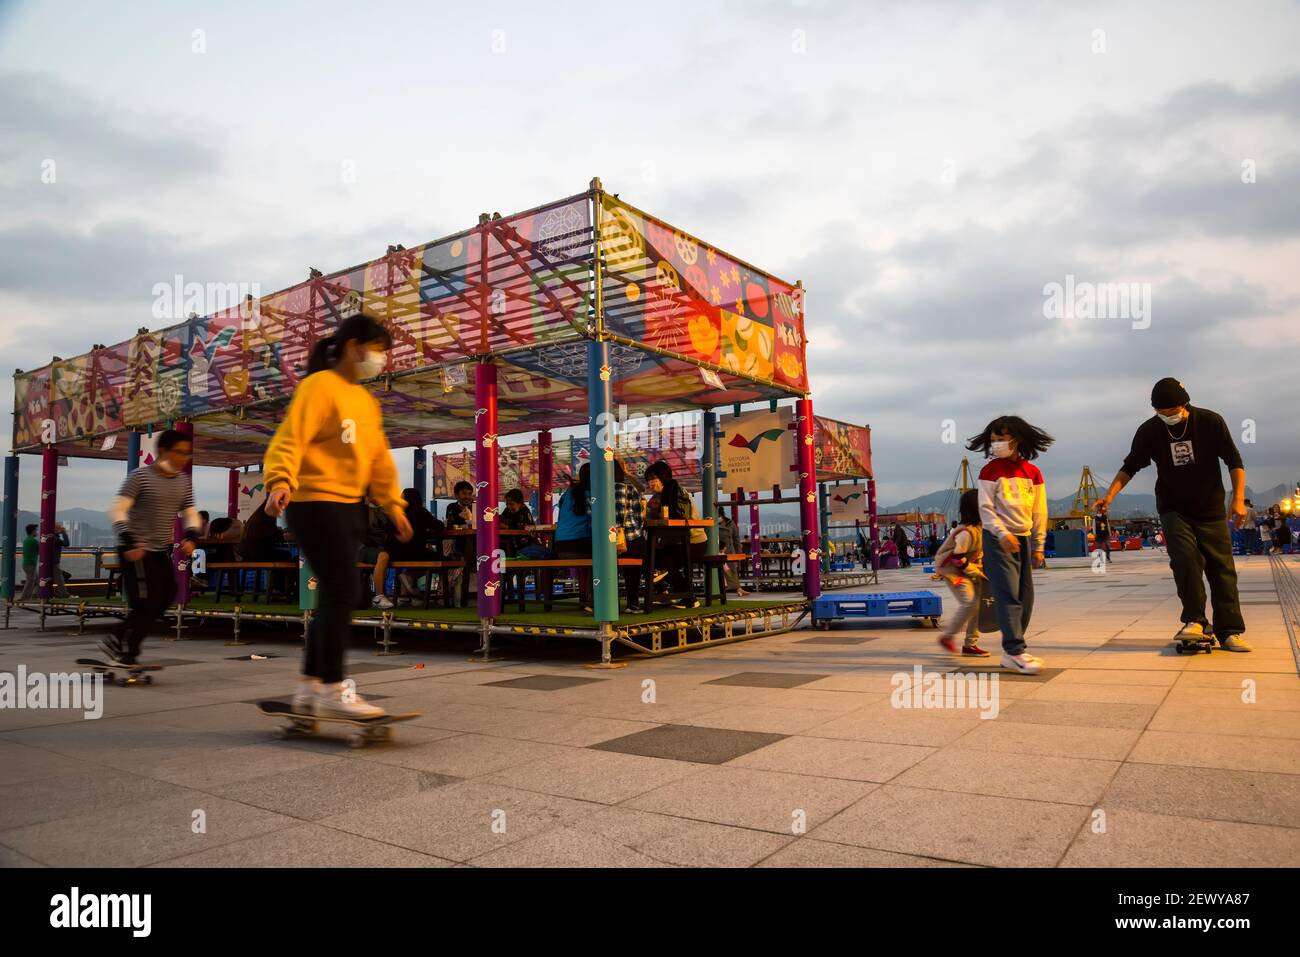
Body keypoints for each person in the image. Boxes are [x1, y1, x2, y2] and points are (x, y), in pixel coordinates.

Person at [263, 313, 413, 718]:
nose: (382, 359)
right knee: (344, 589)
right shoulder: (318, 388)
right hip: (313, 504)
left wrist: (393, 505)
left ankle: (311, 687)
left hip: (350, 508)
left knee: (337, 592)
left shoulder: (364, 401)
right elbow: (290, 438)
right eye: (379, 349)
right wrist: (280, 481)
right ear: (353, 347)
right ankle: (331, 685)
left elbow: (379, 459)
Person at [1095, 378, 1250, 652]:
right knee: (1184, 560)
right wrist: (1109, 495)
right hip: (1173, 507)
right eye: (1161, 412)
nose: (1167, 416)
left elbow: (1234, 461)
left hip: (1211, 507)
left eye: (1171, 410)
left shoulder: (1210, 422)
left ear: (1184, 404)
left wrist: (1237, 499)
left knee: (1221, 569)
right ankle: (1195, 620)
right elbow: (1130, 466)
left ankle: (1229, 631)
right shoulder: (1149, 431)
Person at [101, 428, 202, 666]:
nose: (182, 458)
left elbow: (190, 513)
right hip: (134, 550)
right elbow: (118, 510)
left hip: (157, 551)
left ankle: (120, 637)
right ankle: (128, 651)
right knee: (145, 603)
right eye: (178, 453)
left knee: (166, 597)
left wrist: (191, 536)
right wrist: (129, 541)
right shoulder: (140, 477)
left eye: (187, 454)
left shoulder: (183, 482)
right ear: (162, 451)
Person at [968, 414, 1052, 675]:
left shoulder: (1032, 473)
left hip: (1024, 539)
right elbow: (986, 508)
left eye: (1001, 439)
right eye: (992, 441)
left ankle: (1010, 652)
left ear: (1016, 440)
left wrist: (1038, 545)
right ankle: (1016, 650)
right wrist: (1001, 533)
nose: (996, 445)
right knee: (1008, 595)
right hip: (998, 540)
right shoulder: (989, 471)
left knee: (1026, 597)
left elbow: (1040, 511)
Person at [934, 489, 989, 657]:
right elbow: (958, 558)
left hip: (968, 567)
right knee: (969, 603)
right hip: (953, 570)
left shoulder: (980, 528)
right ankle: (948, 637)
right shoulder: (966, 532)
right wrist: (975, 572)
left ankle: (970, 645)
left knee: (977, 605)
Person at [644, 459, 706, 606]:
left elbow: (679, 519)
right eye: (648, 480)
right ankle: (666, 592)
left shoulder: (677, 492)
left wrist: (657, 515)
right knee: (647, 557)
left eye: (653, 479)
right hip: (675, 542)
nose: (650, 483)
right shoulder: (656, 498)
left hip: (693, 541)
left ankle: (689, 597)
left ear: (663, 478)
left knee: (661, 561)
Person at [373, 488, 442, 608]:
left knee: (428, 557)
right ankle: (411, 581)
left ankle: (406, 590)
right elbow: (439, 526)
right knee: (442, 558)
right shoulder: (422, 512)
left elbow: (388, 530)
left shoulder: (397, 514)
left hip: (395, 553)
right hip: (415, 552)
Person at [554, 462, 594, 607]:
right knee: (604, 556)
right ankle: (592, 599)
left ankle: (586, 597)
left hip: (560, 547)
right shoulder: (592, 493)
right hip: (580, 546)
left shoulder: (568, 494)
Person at [612, 460, 648, 611]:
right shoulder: (629, 489)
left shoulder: (597, 491)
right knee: (634, 569)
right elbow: (639, 518)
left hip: (607, 541)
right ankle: (633, 602)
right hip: (631, 538)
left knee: (611, 568)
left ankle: (608, 603)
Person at [716, 512, 750, 598]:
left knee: (732, 571)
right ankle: (737, 589)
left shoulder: (731, 523)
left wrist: (739, 553)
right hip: (719, 551)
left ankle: (739, 589)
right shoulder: (713, 524)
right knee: (724, 572)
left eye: (719, 516)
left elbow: (736, 538)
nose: (719, 517)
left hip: (730, 551)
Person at [49, 522, 71, 598]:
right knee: (60, 579)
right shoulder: (55, 538)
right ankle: (64, 594)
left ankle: (56, 593)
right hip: (54, 562)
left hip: (51, 562)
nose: (60, 529)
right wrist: (64, 533)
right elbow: (66, 543)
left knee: (61, 577)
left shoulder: (52, 537)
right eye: (59, 528)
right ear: (54, 529)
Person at [20, 523, 38, 600]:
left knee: (36, 580)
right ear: (32, 531)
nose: (37, 532)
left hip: (25, 564)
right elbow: (42, 551)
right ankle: (24, 597)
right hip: (31, 564)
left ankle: (32, 595)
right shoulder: (34, 541)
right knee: (30, 581)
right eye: (36, 530)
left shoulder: (26, 540)